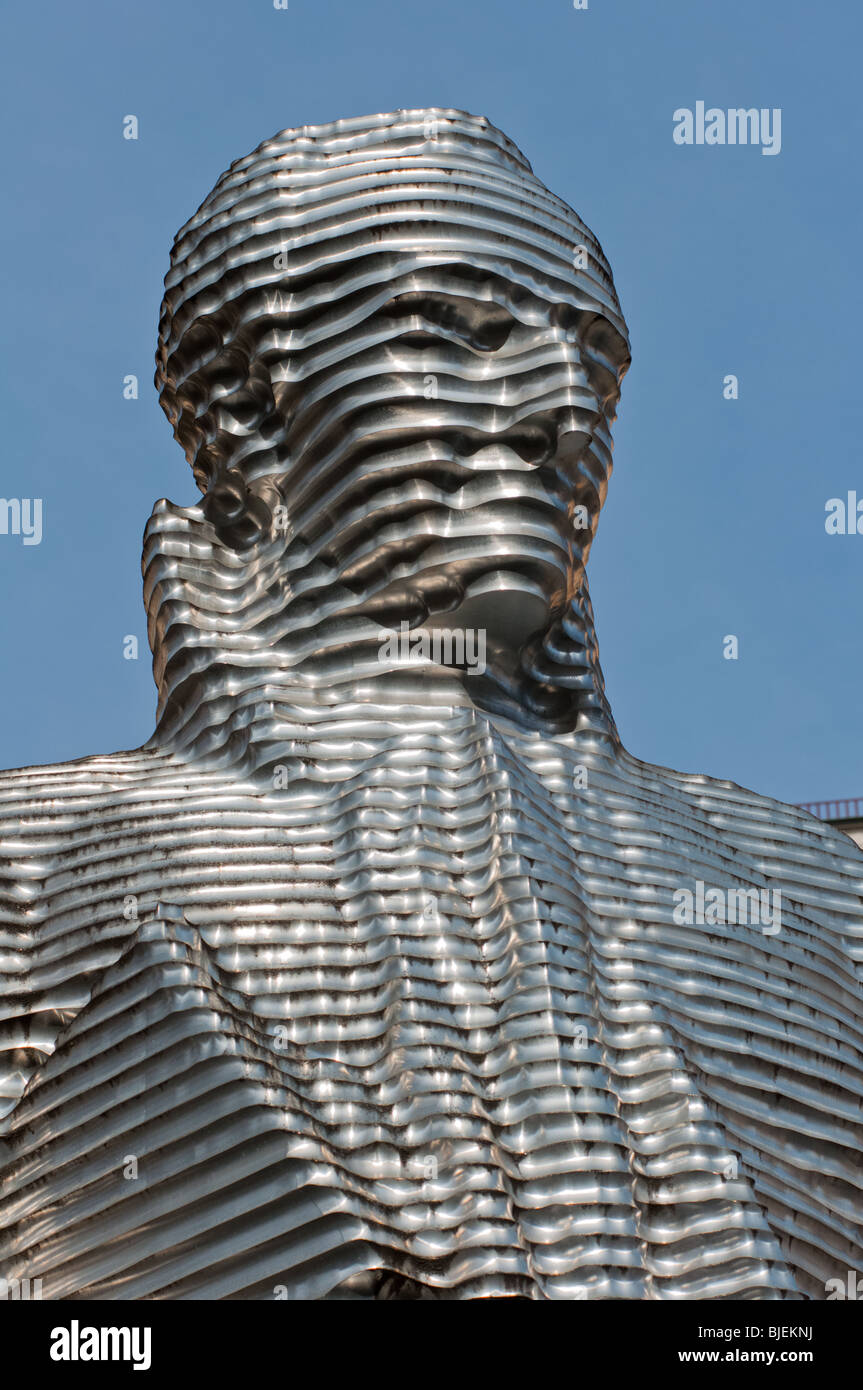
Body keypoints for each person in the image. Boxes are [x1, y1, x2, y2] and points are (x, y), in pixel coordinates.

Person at [1, 109, 861, 1301]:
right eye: (460, 332)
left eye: (595, 361)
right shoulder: (29, 871)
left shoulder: (817, 896)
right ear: (243, 401)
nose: (562, 404)